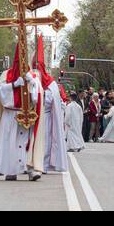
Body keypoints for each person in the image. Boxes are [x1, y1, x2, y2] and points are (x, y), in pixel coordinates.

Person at [0, 42, 45, 180]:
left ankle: (29, 169)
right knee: (10, 142)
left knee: (26, 142)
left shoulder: (33, 75)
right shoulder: (6, 74)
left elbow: (38, 96)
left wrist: (32, 83)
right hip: (10, 114)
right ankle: (10, 170)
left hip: (27, 113)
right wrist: (13, 84)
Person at [35, 38, 68, 173]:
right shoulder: (31, 79)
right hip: (32, 116)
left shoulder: (51, 84)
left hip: (46, 116)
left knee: (46, 141)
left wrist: (40, 94)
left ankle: (44, 164)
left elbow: (50, 101)